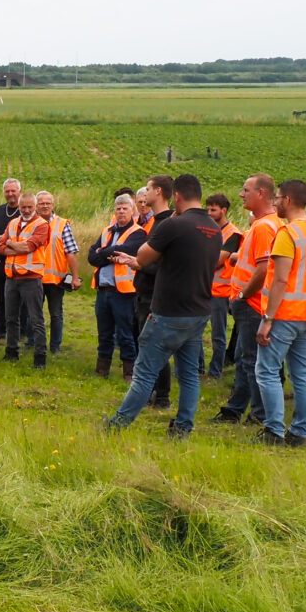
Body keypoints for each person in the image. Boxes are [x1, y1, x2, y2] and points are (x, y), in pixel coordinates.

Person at [104, 174, 220, 437]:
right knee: (189, 375)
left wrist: (140, 258)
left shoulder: (174, 225)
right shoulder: (214, 228)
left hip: (168, 313)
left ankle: (117, 425)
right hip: (199, 311)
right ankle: (183, 427)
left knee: (144, 373)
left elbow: (144, 256)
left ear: (176, 196)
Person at [254, 179, 306, 445]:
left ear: (287, 200)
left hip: (285, 315)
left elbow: (280, 280)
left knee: (267, 371)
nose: (275, 202)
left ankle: (274, 430)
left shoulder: (288, 234)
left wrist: (267, 319)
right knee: (301, 373)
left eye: (277, 198)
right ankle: (299, 432)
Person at [214, 175, 281, 425]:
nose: (241, 194)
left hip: (252, 303)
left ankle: (260, 415)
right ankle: (235, 408)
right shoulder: (264, 224)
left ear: (261, 193)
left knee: (253, 361)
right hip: (249, 303)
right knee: (245, 359)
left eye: (245, 190)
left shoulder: (264, 227)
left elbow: (263, 269)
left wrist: (242, 295)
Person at [131, 174, 178, 407]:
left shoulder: (165, 224)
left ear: (158, 192)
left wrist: (137, 263)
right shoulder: (157, 222)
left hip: (154, 294)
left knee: (154, 346)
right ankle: (152, 392)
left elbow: (161, 264)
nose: (144, 194)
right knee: (146, 344)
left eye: (148, 189)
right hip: (145, 291)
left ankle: (161, 397)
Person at [87, 193, 145, 378]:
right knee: (104, 333)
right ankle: (101, 370)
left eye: (125, 208)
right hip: (103, 290)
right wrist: (110, 256)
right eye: (118, 209)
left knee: (125, 333)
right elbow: (91, 257)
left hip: (124, 292)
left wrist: (103, 252)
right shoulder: (107, 231)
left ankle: (129, 372)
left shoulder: (138, 232)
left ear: (132, 210)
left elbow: (127, 250)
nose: (121, 212)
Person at [0, 196, 51, 364]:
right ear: (19, 206)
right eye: (23, 207)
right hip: (11, 277)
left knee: (36, 319)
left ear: (35, 207)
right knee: (11, 318)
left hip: (31, 278)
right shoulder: (12, 223)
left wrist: (10, 244)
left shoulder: (42, 225)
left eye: (29, 207)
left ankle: (40, 357)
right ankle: (11, 352)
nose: (26, 210)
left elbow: (29, 247)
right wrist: (15, 248)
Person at [28, 191, 80, 354]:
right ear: (36, 205)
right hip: (34, 276)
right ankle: (32, 342)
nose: (44, 206)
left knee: (56, 314)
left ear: (53, 205)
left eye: (47, 203)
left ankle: (55, 346)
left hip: (56, 279)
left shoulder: (62, 224)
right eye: (41, 203)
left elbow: (70, 252)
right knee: (33, 313)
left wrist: (75, 277)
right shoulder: (30, 223)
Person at [203, 193, 241, 379]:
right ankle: (199, 368)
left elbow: (217, 261)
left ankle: (215, 371)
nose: (209, 213)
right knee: (196, 332)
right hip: (204, 288)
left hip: (221, 291)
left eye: (213, 209)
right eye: (208, 209)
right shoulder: (207, 229)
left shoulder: (233, 233)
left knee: (218, 334)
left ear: (223, 210)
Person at [0, 180, 28, 337]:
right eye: (7, 191)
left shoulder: (25, 212)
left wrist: (7, 241)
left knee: (22, 300)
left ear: (20, 191)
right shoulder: (0, 210)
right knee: (1, 298)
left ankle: (22, 331)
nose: (10, 194)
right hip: (0, 262)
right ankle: (0, 330)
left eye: (13, 191)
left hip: (19, 262)